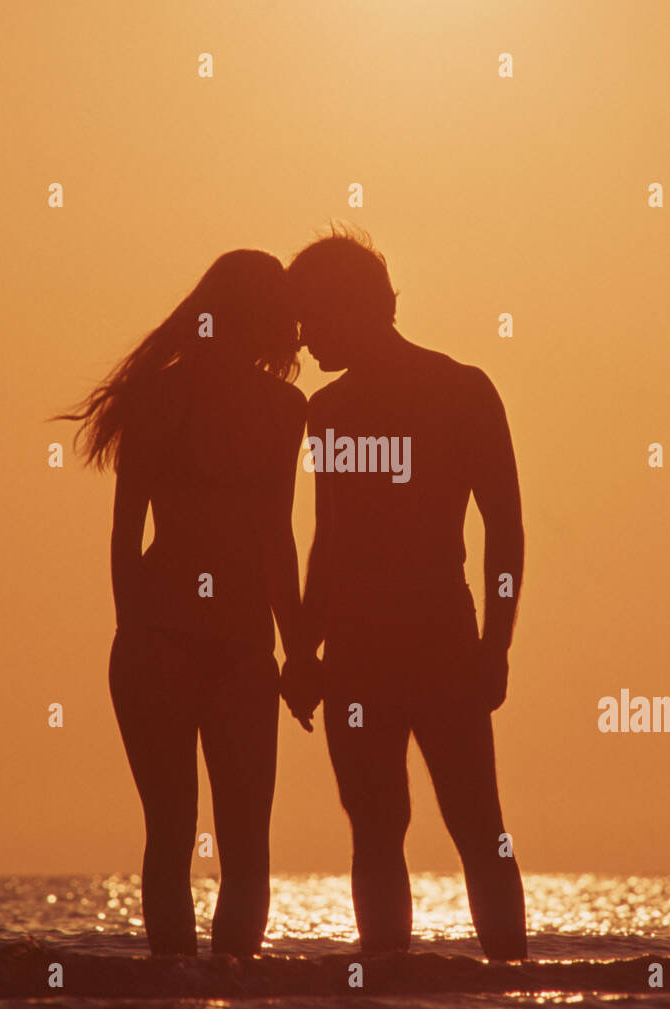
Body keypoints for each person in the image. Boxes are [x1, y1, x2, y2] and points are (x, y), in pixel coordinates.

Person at [281, 227, 527, 960]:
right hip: (370, 644)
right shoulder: (327, 411)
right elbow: (329, 538)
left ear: (355, 309)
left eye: (312, 319)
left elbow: (505, 531)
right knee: (379, 825)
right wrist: (301, 650)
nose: (303, 338)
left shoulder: (462, 389)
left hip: (436, 637)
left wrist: (496, 646)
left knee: (473, 822)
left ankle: (508, 986)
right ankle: (387, 996)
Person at [60, 250, 307, 957]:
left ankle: (210, 993)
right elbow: (128, 524)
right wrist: (131, 629)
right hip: (171, 635)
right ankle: (194, 989)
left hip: (216, 639)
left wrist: (294, 654)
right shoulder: (167, 398)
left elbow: (275, 535)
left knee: (215, 836)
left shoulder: (280, 408)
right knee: (196, 834)